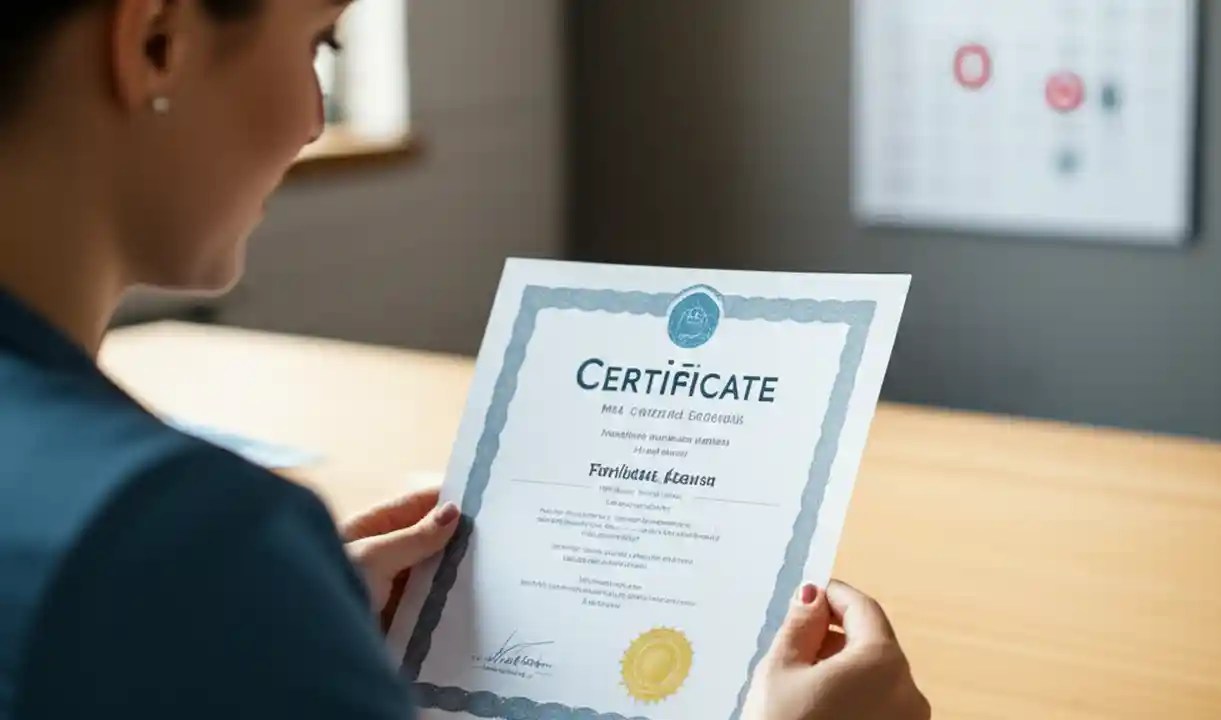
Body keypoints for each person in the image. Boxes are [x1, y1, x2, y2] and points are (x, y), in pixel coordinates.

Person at [0, 1, 930, 719]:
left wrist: (279, 638)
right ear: (155, 39)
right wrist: (246, 603)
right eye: (320, 42)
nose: (316, 119)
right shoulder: (173, 539)